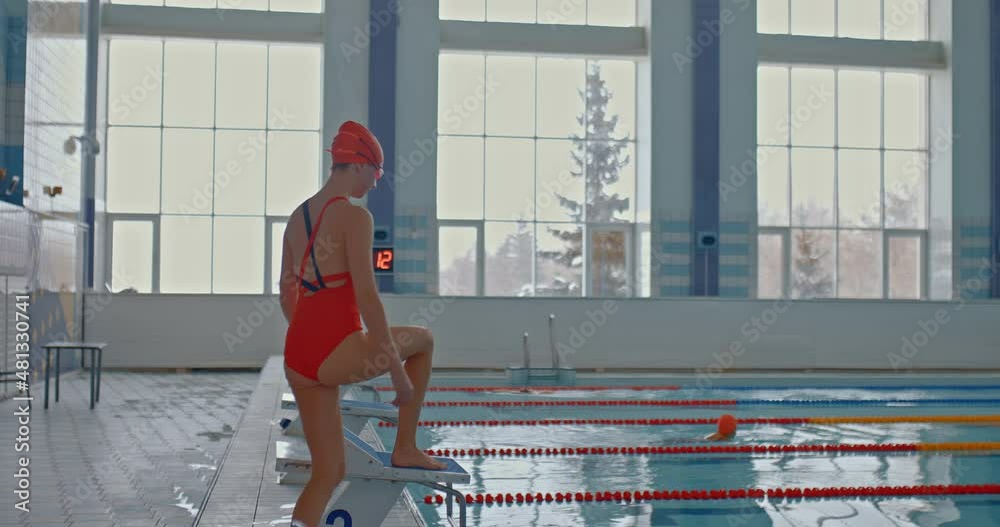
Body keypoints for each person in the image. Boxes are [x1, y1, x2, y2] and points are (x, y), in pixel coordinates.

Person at [280, 120, 446, 527]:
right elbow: (369, 299)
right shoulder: (355, 218)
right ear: (358, 165)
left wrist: (309, 339)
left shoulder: (296, 217)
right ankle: (405, 446)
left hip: (298, 356)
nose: (375, 183)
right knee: (423, 340)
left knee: (328, 472)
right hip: (335, 349)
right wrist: (397, 375)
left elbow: (286, 291)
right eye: (377, 172)